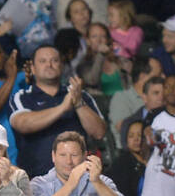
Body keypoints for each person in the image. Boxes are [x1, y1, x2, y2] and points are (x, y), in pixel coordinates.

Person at [10, 45, 108, 177]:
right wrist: (63, 107)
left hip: (78, 177)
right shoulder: (20, 96)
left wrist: (78, 102)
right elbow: (20, 123)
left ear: (62, 66)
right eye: (43, 61)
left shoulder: (80, 95)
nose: (49, 65)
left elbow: (99, 133)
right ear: (32, 68)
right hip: (35, 177)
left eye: (55, 61)